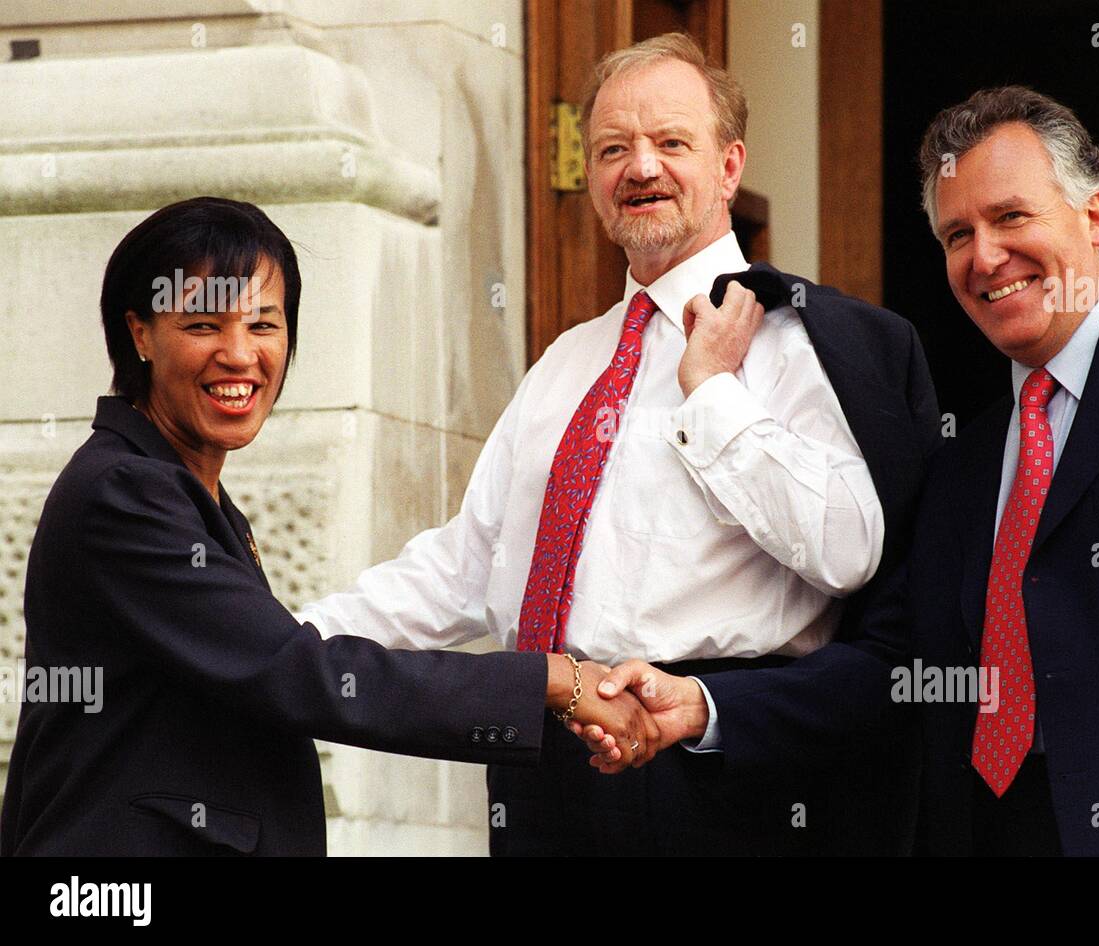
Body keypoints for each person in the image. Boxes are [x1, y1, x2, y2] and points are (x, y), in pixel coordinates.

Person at [586, 86, 1099, 856]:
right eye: (958, 233)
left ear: (1095, 217)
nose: (985, 256)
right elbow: (896, 674)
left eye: (1011, 217)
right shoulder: (962, 461)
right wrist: (700, 707)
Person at [297, 34, 938, 855]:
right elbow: (467, 564)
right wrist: (289, 647)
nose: (641, 168)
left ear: (730, 166)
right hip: (546, 772)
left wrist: (710, 394)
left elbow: (848, 549)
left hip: (720, 775)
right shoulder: (565, 363)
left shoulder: (805, 342)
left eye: (672, 143)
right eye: (613, 149)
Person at [0, 197, 650, 856]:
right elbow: (295, 673)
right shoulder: (124, 490)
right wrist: (547, 681)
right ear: (139, 333)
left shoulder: (186, 493)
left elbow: (273, 667)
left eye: (263, 324)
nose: (238, 354)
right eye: (202, 325)